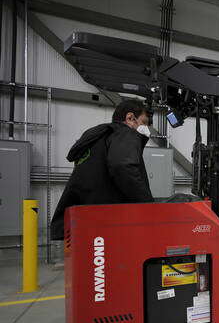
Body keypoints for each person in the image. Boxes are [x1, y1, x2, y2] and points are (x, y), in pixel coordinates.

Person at [50, 99, 154, 240]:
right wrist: (149, 205)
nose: (146, 129)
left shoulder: (96, 138)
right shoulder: (125, 133)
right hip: (108, 223)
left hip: (83, 221)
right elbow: (122, 166)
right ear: (130, 118)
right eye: (144, 122)